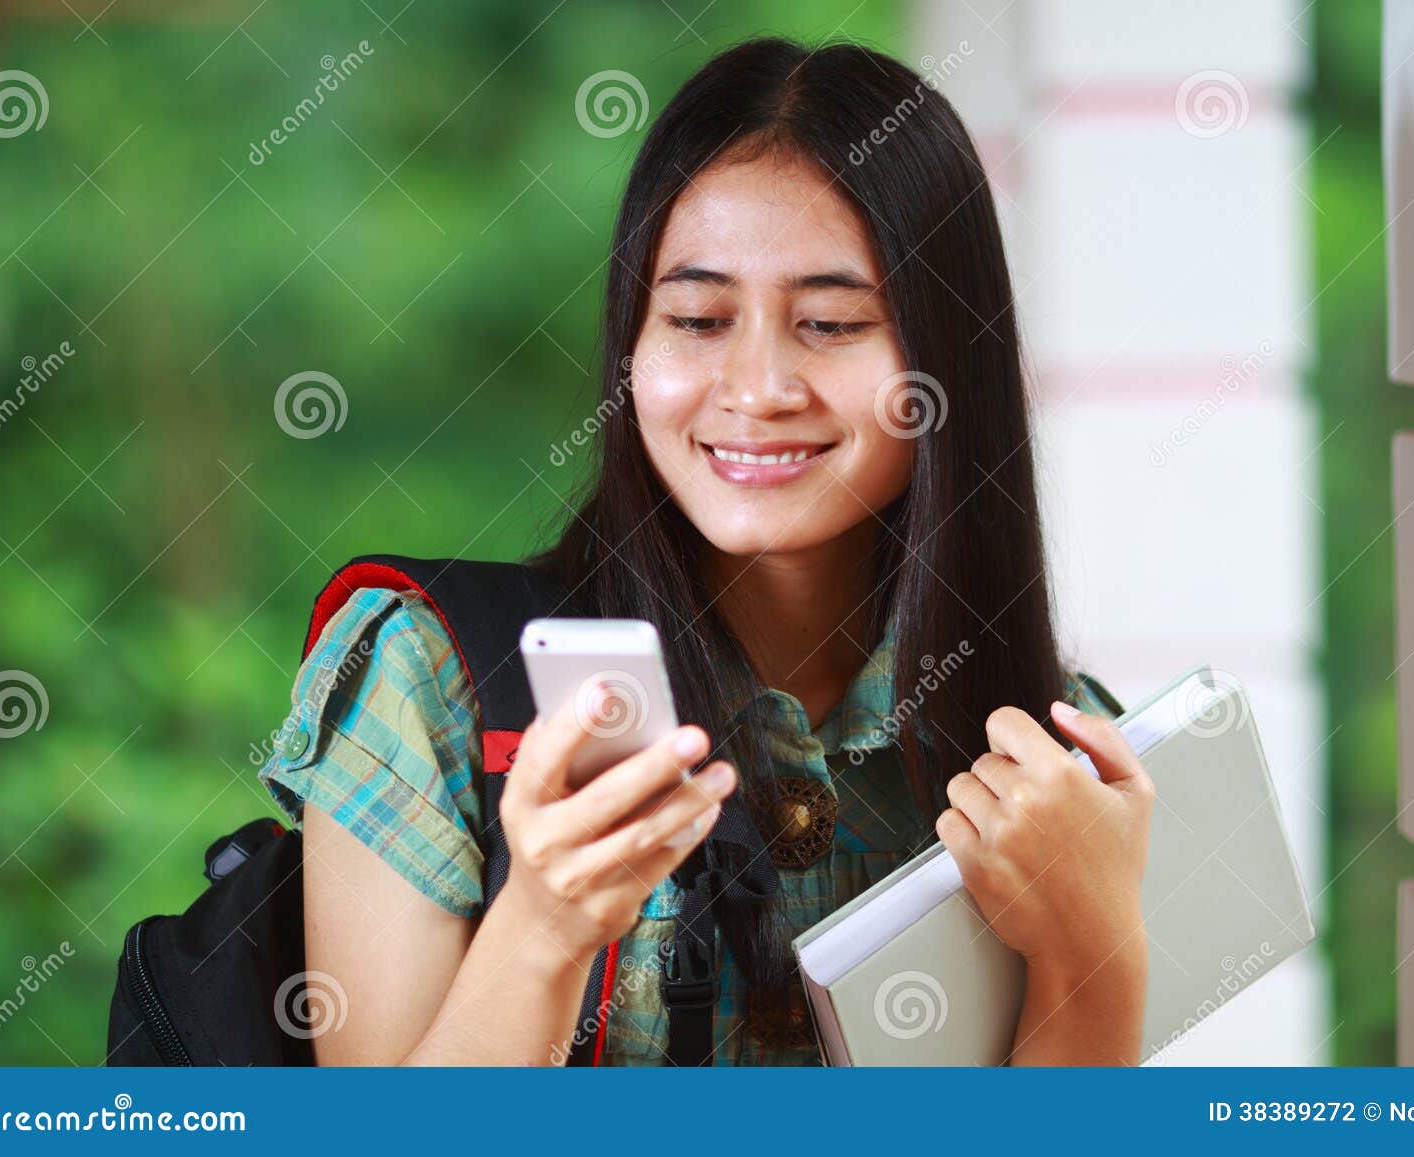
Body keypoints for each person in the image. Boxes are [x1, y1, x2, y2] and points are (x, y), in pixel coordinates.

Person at [260, 35, 1154, 1066]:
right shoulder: (429, 677)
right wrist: (543, 928)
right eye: (696, 317)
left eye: (828, 321)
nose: (757, 385)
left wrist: (1098, 947)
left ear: (948, 356)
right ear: (630, 347)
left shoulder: (1061, 757)